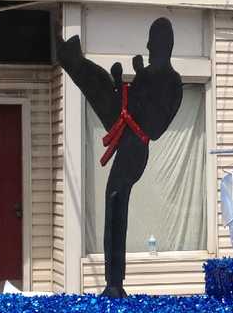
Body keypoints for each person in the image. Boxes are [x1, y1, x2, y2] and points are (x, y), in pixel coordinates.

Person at [56, 18, 183, 298]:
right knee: (115, 204)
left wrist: (139, 78)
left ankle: (114, 282)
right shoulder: (165, 79)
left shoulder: (164, 79)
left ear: (162, 43)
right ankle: (114, 281)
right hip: (131, 140)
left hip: (133, 146)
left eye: (152, 40)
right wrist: (130, 80)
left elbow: (153, 121)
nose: (148, 45)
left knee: (115, 206)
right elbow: (139, 106)